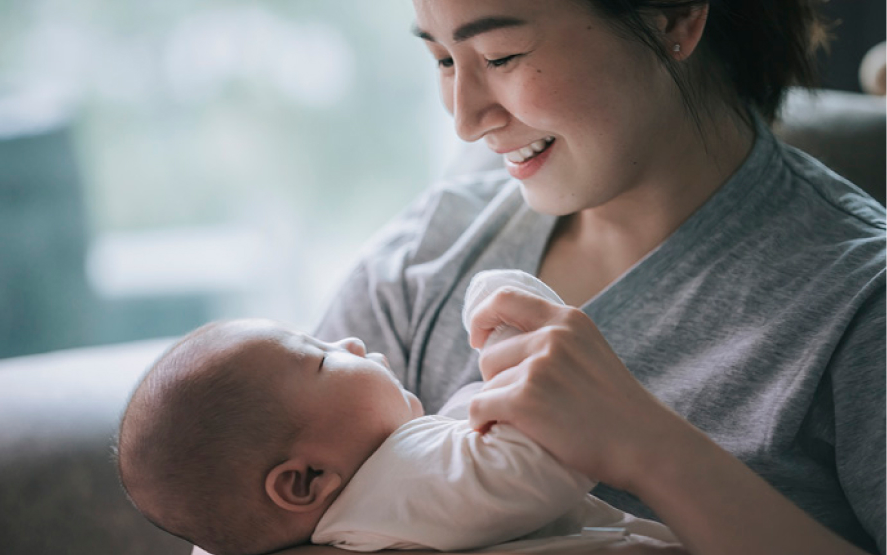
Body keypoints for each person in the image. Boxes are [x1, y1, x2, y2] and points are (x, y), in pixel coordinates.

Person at [193, 1, 884, 554]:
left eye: (500, 55)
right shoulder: (426, 256)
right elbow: (237, 510)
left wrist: (647, 447)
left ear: (673, 16)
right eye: (440, 58)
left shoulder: (859, 296)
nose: (465, 119)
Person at [119, 317, 679, 555]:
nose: (353, 343)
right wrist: (517, 332)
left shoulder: (358, 518)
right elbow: (539, 468)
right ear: (305, 480)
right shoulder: (401, 477)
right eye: (320, 357)